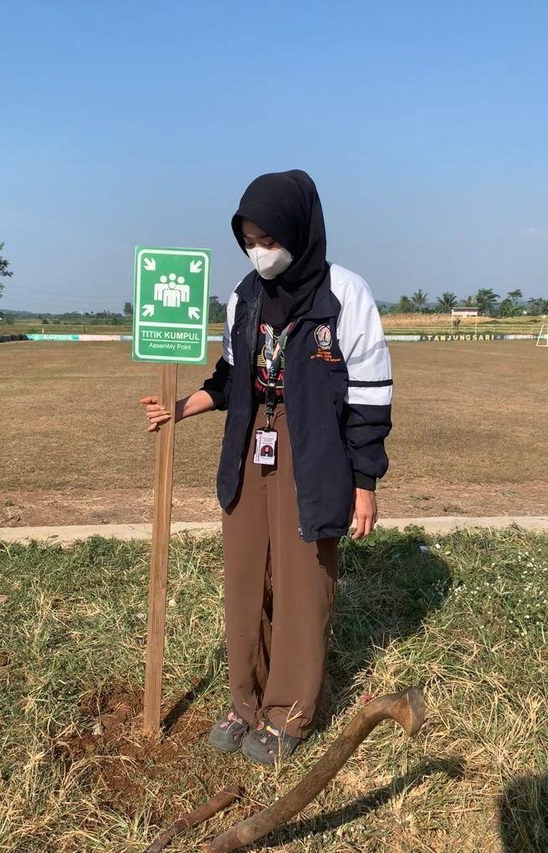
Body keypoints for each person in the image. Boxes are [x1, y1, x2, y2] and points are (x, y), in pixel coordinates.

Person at [141, 169, 392, 765]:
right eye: (249, 240)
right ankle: (245, 700)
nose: (260, 252)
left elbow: (369, 400)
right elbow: (231, 379)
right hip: (252, 444)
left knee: (305, 579)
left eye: (269, 239)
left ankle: (289, 712)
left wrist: (365, 485)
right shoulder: (244, 295)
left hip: (318, 452)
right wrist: (182, 408)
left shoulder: (345, 295)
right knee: (246, 573)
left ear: (299, 232)